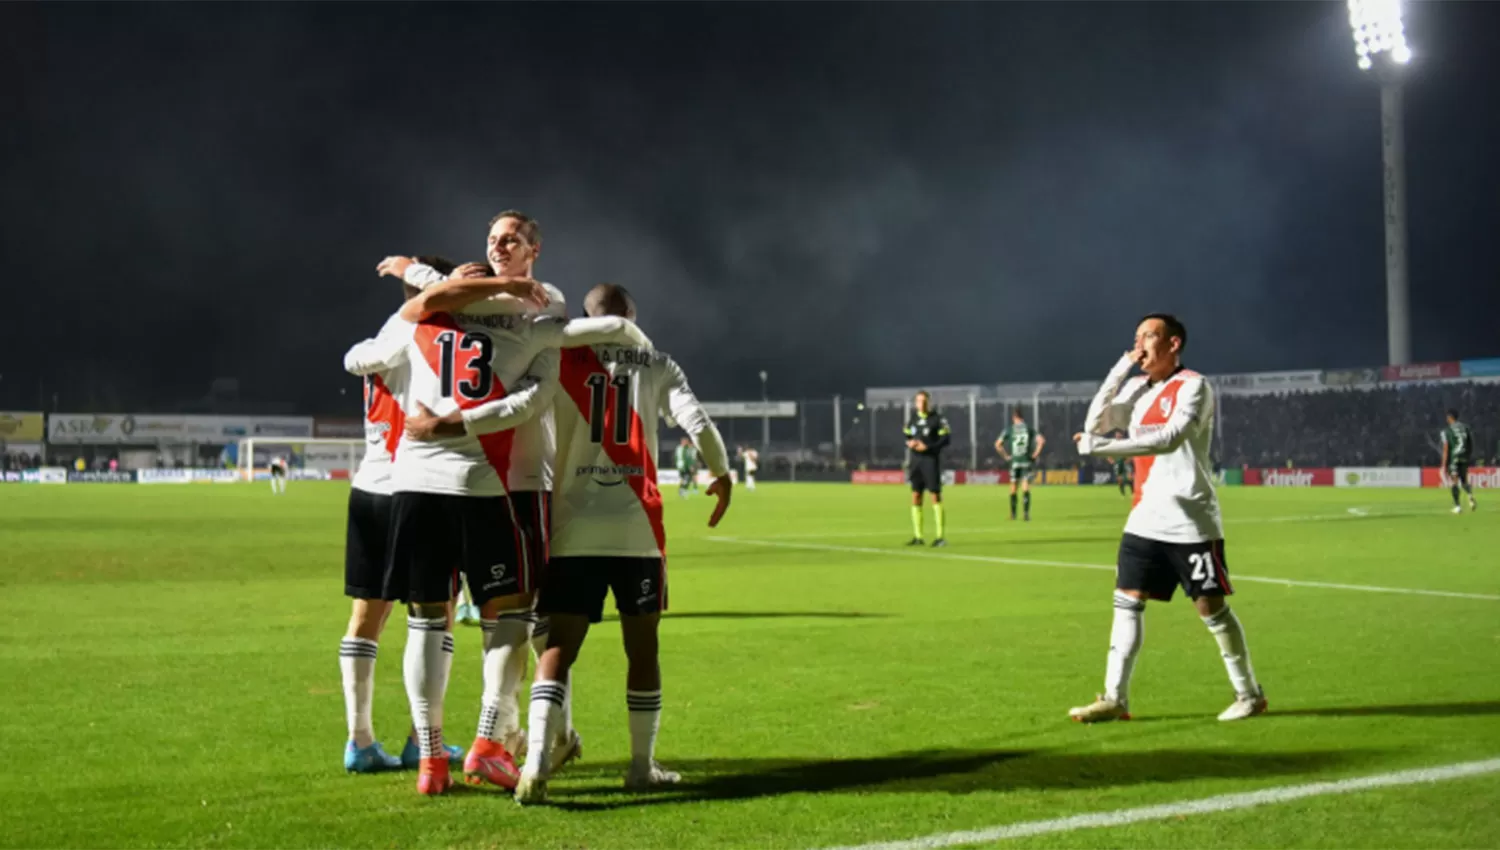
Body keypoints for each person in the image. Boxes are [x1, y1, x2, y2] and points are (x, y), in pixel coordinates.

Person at [346, 264, 650, 796]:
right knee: (518, 616)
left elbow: (360, 356)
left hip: (428, 483)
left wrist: (414, 274)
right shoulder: (528, 324)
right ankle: (498, 741)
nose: (499, 250)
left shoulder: (425, 322)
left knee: (439, 620)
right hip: (501, 485)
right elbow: (575, 351)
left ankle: (442, 752)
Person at [515, 283, 732, 805]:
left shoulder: (560, 359)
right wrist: (721, 474)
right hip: (637, 529)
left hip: (573, 529)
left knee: (559, 649)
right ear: (631, 316)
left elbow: (522, 412)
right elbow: (696, 421)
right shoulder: (656, 361)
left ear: (589, 318)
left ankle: (536, 765)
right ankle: (640, 767)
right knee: (643, 648)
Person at [1070, 314, 1266, 723]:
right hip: (1144, 517)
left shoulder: (1194, 386)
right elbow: (1094, 423)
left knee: (1210, 609)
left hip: (1190, 518)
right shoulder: (1139, 389)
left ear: (1174, 344)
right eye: (1136, 336)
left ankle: (1249, 694)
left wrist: (1104, 447)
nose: (1141, 344)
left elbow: (1169, 438)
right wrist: (1122, 366)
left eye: (1149, 336)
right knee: (1126, 603)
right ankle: (1114, 698)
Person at [338, 259, 467, 774]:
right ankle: (422, 739)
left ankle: (360, 740)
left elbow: (356, 359)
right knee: (435, 614)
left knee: (366, 617)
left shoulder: (382, 337)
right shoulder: (431, 337)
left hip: (368, 487)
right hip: (414, 488)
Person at [903, 391, 950, 547]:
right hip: (915, 462)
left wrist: (928, 447)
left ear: (929, 402)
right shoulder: (913, 419)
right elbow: (907, 435)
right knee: (916, 496)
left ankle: (940, 537)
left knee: (935, 497)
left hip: (930, 461)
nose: (921, 404)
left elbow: (946, 439)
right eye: (918, 401)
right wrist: (910, 443)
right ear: (915, 403)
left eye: (924, 401)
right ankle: (918, 537)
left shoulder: (937, 419)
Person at [996, 407, 1045, 521]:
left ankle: (1013, 515)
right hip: (1026, 461)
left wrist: (1006, 456)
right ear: (1022, 418)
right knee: (1025, 487)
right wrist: (1035, 455)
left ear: (1014, 417)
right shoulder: (1029, 429)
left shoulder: (1010, 429)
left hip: (1015, 462)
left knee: (1013, 487)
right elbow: (1041, 441)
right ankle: (1026, 514)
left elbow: (998, 444)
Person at [1440, 408, 1477, 514]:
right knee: (1464, 480)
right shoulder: (1466, 427)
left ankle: (1457, 506)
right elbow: (1470, 444)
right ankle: (1470, 496)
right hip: (1464, 457)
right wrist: (1468, 456)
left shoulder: (1447, 431)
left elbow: (1446, 448)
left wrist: (1443, 464)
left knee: (1454, 481)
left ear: (1450, 417)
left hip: (1454, 458)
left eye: (1447, 417)